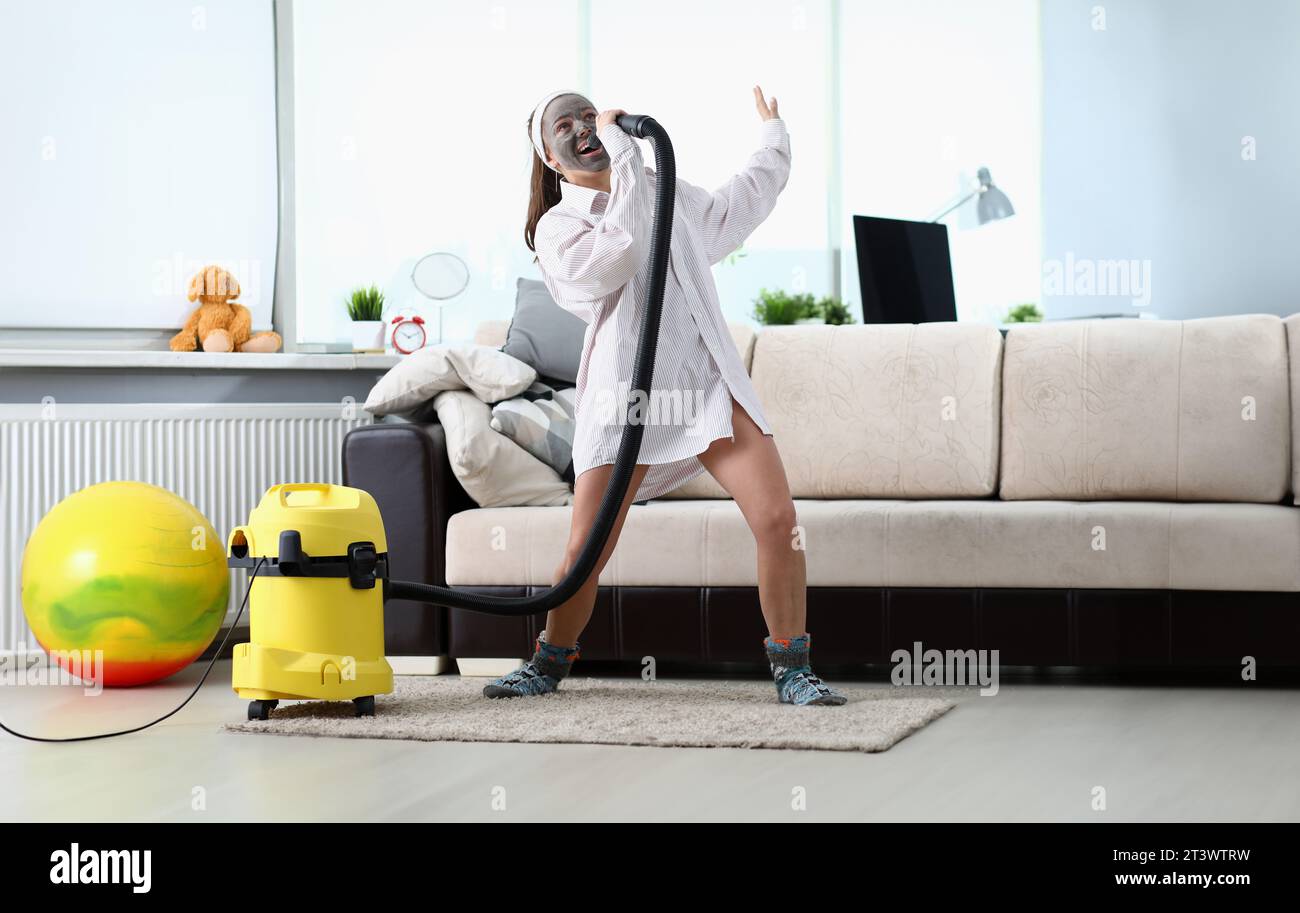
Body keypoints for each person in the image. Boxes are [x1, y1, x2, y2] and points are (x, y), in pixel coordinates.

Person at [489, 86, 846, 706]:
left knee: (778, 521)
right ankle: (547, 663)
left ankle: (793, 670)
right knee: (587, 548)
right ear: (550, 159)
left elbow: (739, 204)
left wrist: (772, 137)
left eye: (586, 114)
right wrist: (628, 160)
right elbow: (615, 263)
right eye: (562, 126)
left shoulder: (661, 189)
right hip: (624, 398)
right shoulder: (560, 226)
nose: (581, 128)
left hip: (703, 382)